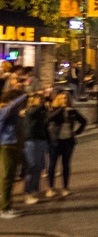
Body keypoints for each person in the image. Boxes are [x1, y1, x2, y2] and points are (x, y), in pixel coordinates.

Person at [45, 92, 86, 198]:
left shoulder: (73, 111)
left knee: (66, 165)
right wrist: (62, 109)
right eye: (63, 98)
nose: (66, 99)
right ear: (59, 99)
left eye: (67, 98)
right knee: (52, 164)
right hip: (55, 141)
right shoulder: (54, 110)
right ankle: (51, 188)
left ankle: (65, 188)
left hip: (68, 141)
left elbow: (84, 121)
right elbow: (48, 120)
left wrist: (76, 132)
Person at [0, 89, 28, 219]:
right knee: (7, 177)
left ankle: (7, 206)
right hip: (7, 146)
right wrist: (27, 94)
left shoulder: (12, 112)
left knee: (10, 178)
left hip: (13, 145)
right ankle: (4, 209)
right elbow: (13, 105)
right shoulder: (5, 110)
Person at [21, 93, 49, 205]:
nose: (41, 100)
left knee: (38, 166)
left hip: (40, 139)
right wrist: (44, 103)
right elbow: (33, 113)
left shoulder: (41, 111)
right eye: (39, 98)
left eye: (42, 98)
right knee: (31, 166)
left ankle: (34, 190)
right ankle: (27, 193)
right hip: (31, 140)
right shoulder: (29, 111)